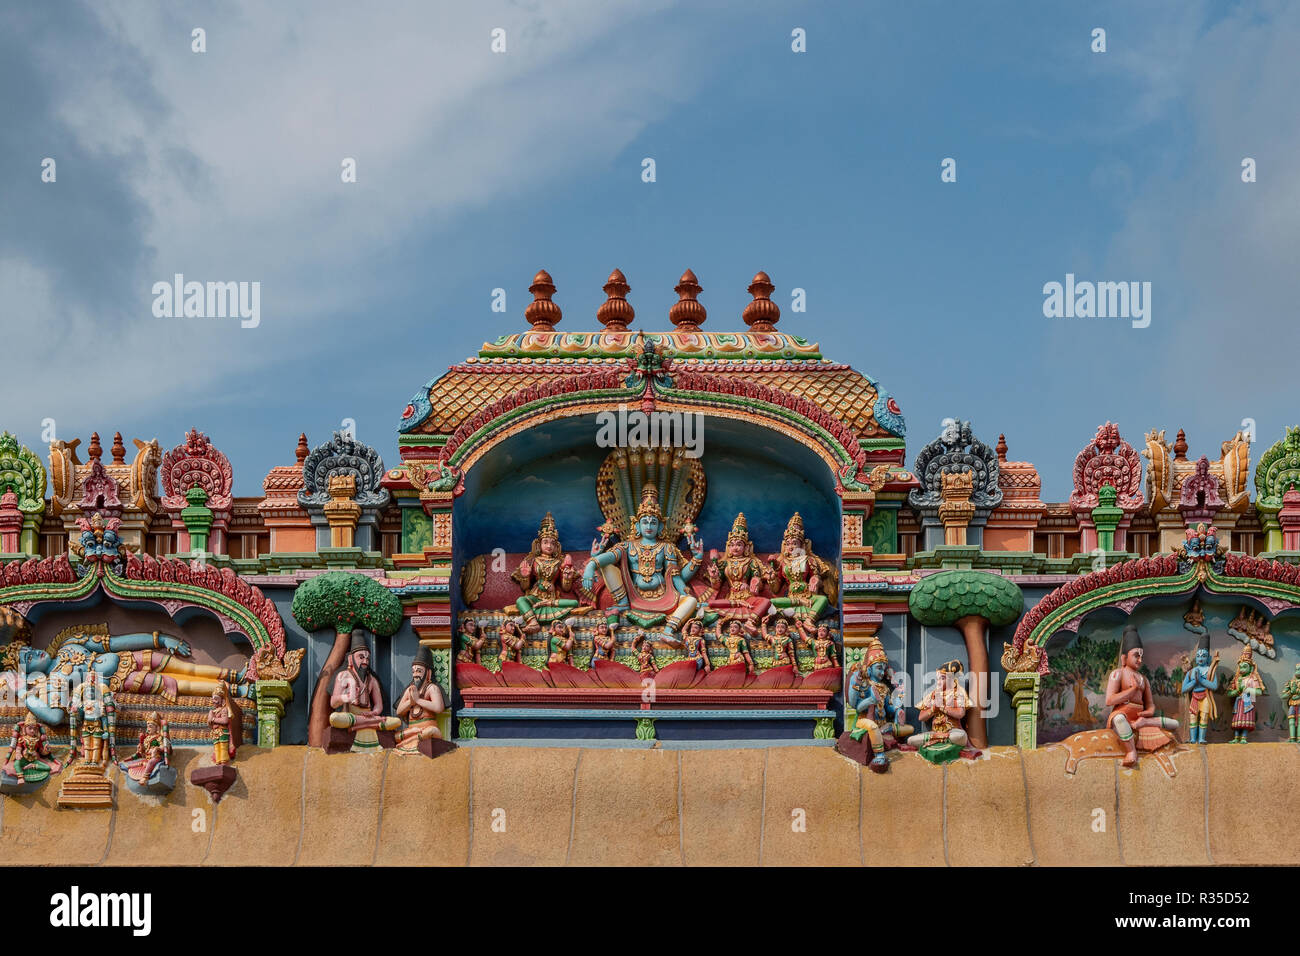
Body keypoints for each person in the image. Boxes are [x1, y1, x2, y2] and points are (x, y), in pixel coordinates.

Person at [1105, 625, 1179, 766]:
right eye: (1136, 656)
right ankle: (1131, 751)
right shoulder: (1117, 674)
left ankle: (1145, 724)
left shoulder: (1143, 679)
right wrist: (1132, 690)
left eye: (1141, 656)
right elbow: (1109, 700)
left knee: (1175, 724)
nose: (1140, 660)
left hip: (1141, 718)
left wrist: (1147, 715)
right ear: (1124, 658)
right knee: (1119, 719)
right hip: (1122, 715)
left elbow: (1150, 704)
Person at [327, 631, 401, 752]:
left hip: (368, 716)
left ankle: (362, 723)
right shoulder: (343, 675)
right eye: (361, 657)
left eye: (367, 658)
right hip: (351, 715)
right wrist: (347, 697)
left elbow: (378, 705)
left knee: (396, 722)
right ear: (351, 659)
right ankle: (366, 723)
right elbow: (333, 702)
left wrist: (374, 713)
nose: (365, 661)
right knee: (334, 718)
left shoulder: (372, 680)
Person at [393, 645, 445, 754]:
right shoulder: (410, 690)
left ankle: (410, 742)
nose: (415, 675)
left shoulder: (432, 688)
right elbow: (399, 711)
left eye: (419, 671)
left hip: (427, 731)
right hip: (412, 731)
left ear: (428, 673)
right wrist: (410, 702)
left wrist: (418, 700)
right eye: (414, 671)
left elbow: (438, 708)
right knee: (395, 735)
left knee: (432, 731)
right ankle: (413, 736)